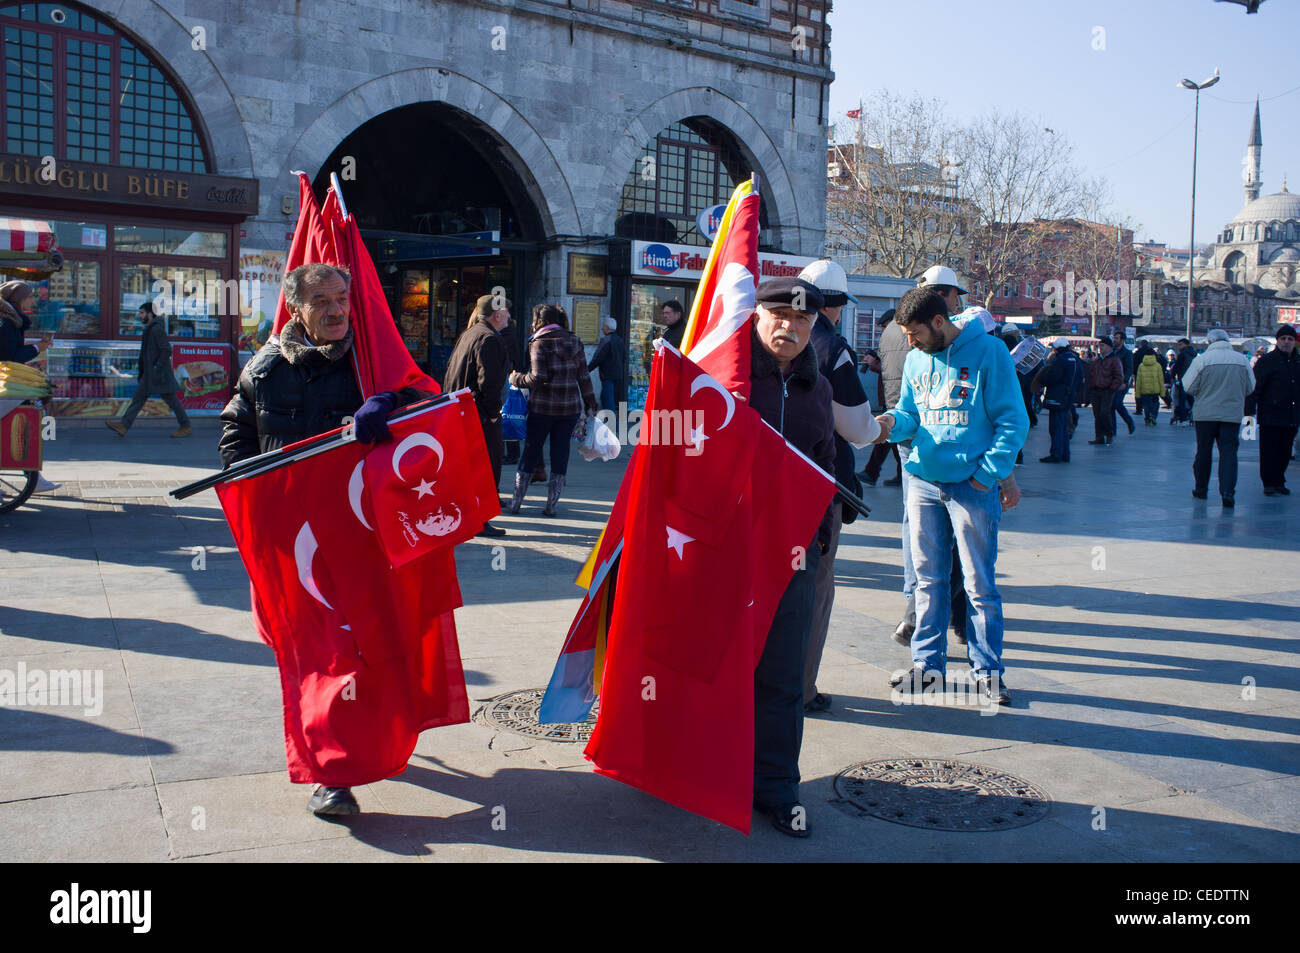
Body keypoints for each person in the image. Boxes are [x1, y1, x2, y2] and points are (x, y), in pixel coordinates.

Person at [219, 263, 431, 816]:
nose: (337, 310)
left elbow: (429, 411)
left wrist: (394, 405)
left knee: (363, 648)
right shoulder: (264, 371)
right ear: (296, 309)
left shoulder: (374, 367)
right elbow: (235, 435)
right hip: (298, 545)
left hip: (365, 539)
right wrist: (255, 492)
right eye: (322, 301)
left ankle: (364, 741)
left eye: (343, 298)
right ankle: (332, 774)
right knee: (317, 654)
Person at [873, 287, 1027, 705]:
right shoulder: (918, 359)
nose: (910, 342)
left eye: (915, 332)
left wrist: (988, 475)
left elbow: (1012, 421)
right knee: (927, 580)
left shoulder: (990, 354)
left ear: (939, 322)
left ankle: (988, 673)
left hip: (971, 488)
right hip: (922, 481)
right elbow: (910, 415)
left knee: (979, 585)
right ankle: (927, 667)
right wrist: (889, 422)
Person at [746, 276, 835, 836]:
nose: (791, 326)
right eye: (780, 315)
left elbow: (826, 466)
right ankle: (703, 770)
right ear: (757, 316)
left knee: (782, 679)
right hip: (725, 554)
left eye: (803, 320)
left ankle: (777, 789)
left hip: (794, 559)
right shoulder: (724, 377)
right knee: (715, 669)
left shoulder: (816, 388)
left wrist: (822, 534)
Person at [796, 258, 880, 714]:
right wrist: (879, 429)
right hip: (820, 484)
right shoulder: (833, 348)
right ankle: (802, 686)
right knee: (815, 588)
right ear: (835, 306)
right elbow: (855, 425)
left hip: (768, 482)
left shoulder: (764, 339)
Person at [507, 303, 597, 517]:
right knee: (560, 452)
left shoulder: (540, 342)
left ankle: (516, 502)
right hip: (570, 408)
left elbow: (538, 377)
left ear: (540, 321)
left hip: (542, 408)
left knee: (531, 450)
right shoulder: (574, 340)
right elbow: (584, 376)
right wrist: (590, 402)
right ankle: (551, 506)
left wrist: (516, 378)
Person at [443, 293, 511, 538]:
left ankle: (468, 517)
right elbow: (489, 382)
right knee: (485, 468)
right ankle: (479, 520)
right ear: (497, 315)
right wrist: (492, 414)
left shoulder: (470, 334)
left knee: (468, 468)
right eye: (506, 312)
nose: (509, 317)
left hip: (461, 412)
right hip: (477, 415)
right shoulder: (489, 338)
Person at [1182, 328, 1254, 508]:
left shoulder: (1202, 360)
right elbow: (1251, 387)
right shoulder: (1242, 360)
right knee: (1229, 454)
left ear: (1209, 342)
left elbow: (1188, 386)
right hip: (1232, 415)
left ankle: (1201, 489)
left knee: (1204, 451)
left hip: (1205, 414)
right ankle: (1228, 492)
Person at [106, 301, 191, 438]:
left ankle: (185, 426)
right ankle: (124, 425)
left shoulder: (156, 329)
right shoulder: (151, 328)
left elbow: (166, 349)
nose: (139, 316)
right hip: (151, 373)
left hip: (158, 374)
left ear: (149, 314)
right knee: (139, 398)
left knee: (171, 400)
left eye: (142, 313)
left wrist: (157, 366)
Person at [1245, 324, 1298, 496]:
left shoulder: (1297, 362)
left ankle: (1279, 480)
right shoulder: (1267, 361)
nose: (1286, 342)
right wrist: (1249, 410)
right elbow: (1255, 388)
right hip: (1270, 414)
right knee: (1269, 450)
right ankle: (1268, 482)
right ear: (1277, 341)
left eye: (1290, 339)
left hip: (1291, 414)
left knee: (1285, 450)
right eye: (1283, 339)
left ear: (1294, 342)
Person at [860, 312, 902, 485]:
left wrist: (873, 364)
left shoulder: (898, 340)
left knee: (889, 438)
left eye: (885, 327)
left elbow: (891, 369)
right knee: (888, 439)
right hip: (889, 397)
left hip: (894, 397)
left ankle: (872, 473)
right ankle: (873, 473)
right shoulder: (891, 340)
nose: (884, 330)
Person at [1032, 338, 1082, 462]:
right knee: (1064, 426)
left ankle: (1056, 454)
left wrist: (1042, 379)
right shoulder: (1075, 359)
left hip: (1056, 397)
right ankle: (1065, 454)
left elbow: (1051, 377)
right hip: (1068, 396)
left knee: (1055, 426)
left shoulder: (1059, 360)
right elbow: (1081, 377)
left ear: (1058, 349)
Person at [0, 281, 51, 364]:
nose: (33, 301)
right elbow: (10, 358)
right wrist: (36, 347)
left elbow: (9, 348)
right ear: (18, 298)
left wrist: (36, 345)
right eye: (30, 297)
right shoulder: (7, 321)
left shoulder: (10, 318)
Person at [1086, 337, 1123, 445]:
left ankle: (1109, 434)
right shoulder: (1097, 361)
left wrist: (1112, 388)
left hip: (1107, 390)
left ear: (1109, 347)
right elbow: (1091, 374)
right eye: (1099, 345)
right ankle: (1099, 436)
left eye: (1102, 345)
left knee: (1104, 413)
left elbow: (1118, 376)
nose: (1100, 348)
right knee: (1097, 414)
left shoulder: (1114, 360)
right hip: (1095, 390)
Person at [587, 316, 625, 415]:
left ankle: (611, 425)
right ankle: (607, 421)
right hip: (617, 374)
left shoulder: (606, 340)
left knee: (608, 400)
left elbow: (597, 357)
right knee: (606, 397)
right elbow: (624, 357)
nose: (602, 328)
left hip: (608, 374)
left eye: (603, 326)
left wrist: (587, 369)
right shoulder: (620, 340)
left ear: (607, 328)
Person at [1110, 329, 1137, 436]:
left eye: (1117, 338)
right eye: (1114, 338)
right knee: (1111, 405)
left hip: (1122, 383)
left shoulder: (1127, 353)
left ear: (1122, 340)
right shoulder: (1112, 351)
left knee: (1116, 403)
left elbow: (1129, 369)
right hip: (1111, 382)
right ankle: (1112, 430)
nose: (1115, 340)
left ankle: (1129, 422)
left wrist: (1124, 381)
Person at [1133, 348, 1166, 426]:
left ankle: (1147, 418)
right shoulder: (1158, 365)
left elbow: (1139, 381)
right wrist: (1162, 392)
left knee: (1146, 405)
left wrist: (1137, 393)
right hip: (1155, 389)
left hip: (1145, 390)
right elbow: (1161, 380)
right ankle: (1153, 416)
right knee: (1155, 403)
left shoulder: (1141, 366)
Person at [1171, 338, 1197, 425]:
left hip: (1183, 379)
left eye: (1180, 344)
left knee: (1182, 399)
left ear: (1186, 344)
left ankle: (1183, 419)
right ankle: (1194, 417)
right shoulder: (1194, 354)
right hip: (1192, 379)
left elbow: (1177, 366)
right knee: (1191, 399)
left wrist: (1172, 376)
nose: (1179, 346)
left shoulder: (1183, 354)